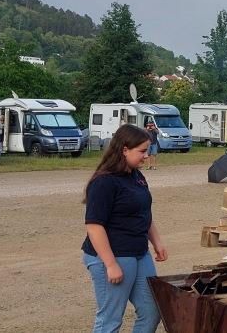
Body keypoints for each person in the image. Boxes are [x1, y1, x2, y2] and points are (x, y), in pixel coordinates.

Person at [81, 124, 167, 333]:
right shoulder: (104, 182)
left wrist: (157, 242)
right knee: (110, 318)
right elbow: (94, 226)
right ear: (124, 150)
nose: (146, 156)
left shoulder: (137, 176)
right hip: (112, 255)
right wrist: (110, 264)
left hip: (139, 253)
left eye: (147, 150)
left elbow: (144, 213)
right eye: (142, 151)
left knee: (152, 311)